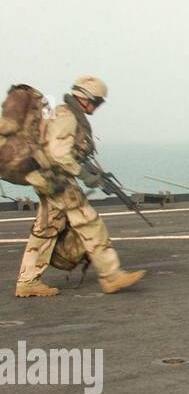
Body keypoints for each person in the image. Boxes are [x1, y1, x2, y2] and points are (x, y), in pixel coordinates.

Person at [14, 77, 145, 297]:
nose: (96, 106)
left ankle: (27, 281)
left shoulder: (65, 114)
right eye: (97, 102)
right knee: (90, 223)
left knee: (45, 230)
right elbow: (58, 153)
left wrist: (92, 172)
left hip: (46, 179)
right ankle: (111, 276)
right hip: (58, 180)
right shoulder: (67, 116)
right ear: (85, 98)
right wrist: (85, 175)